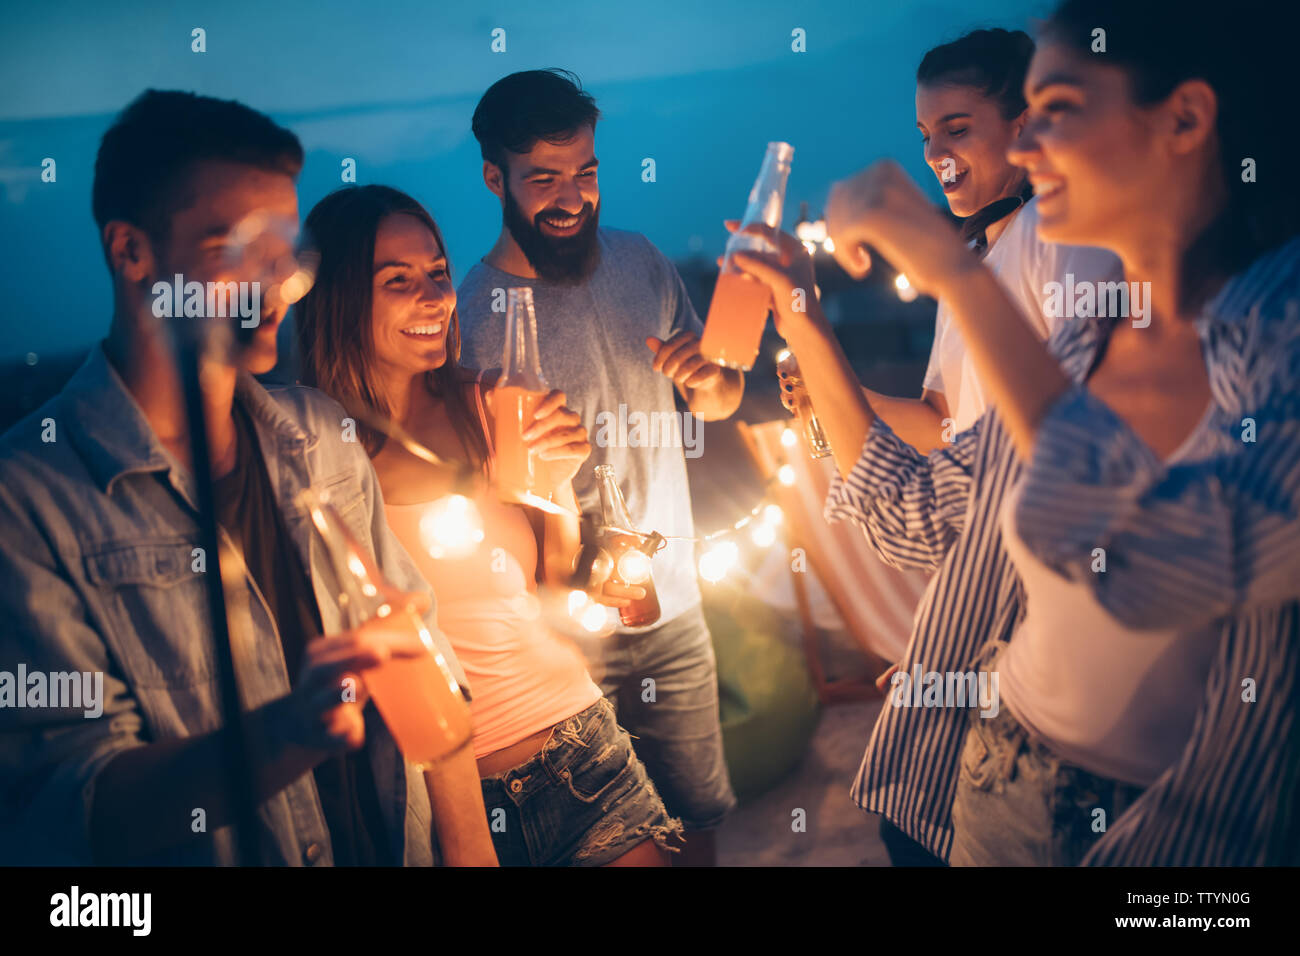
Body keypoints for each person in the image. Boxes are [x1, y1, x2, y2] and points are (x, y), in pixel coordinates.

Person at [731, 0, 1299, 865]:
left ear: (1185, 117)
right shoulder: (1085, 340)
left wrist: (959, 277)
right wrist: (802, 316)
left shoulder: (1274, 337)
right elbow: (918, 518)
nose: (1028, 147)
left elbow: (1154, 567)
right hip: (998, 780)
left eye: (1058, 110)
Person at [0, 91, 495, 866]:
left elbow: (428, 664)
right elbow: (74, 809)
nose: (278, 282)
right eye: (236, 248)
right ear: (131, 252)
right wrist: (288, 732)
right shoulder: (28, 501)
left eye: (283, 249)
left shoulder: (323, 438)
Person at [294, 184, 685, 866]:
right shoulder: (313, 453)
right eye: (398, 281)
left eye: (438, 275)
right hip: (439, 801)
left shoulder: (487, 402)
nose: (434, 299)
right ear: (339, 297)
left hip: (578, 748)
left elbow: (554, 585)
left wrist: (562, 483)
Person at [456, 69, 744, 864]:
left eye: (584, 172)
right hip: (562, 636)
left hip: (677, 607)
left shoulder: (642, 262)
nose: (571, 196)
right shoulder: (468, 320)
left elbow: (718, 399)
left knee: (697, 818)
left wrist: (714, 382)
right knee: (601, 844)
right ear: (494, 179)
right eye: (543, 179)